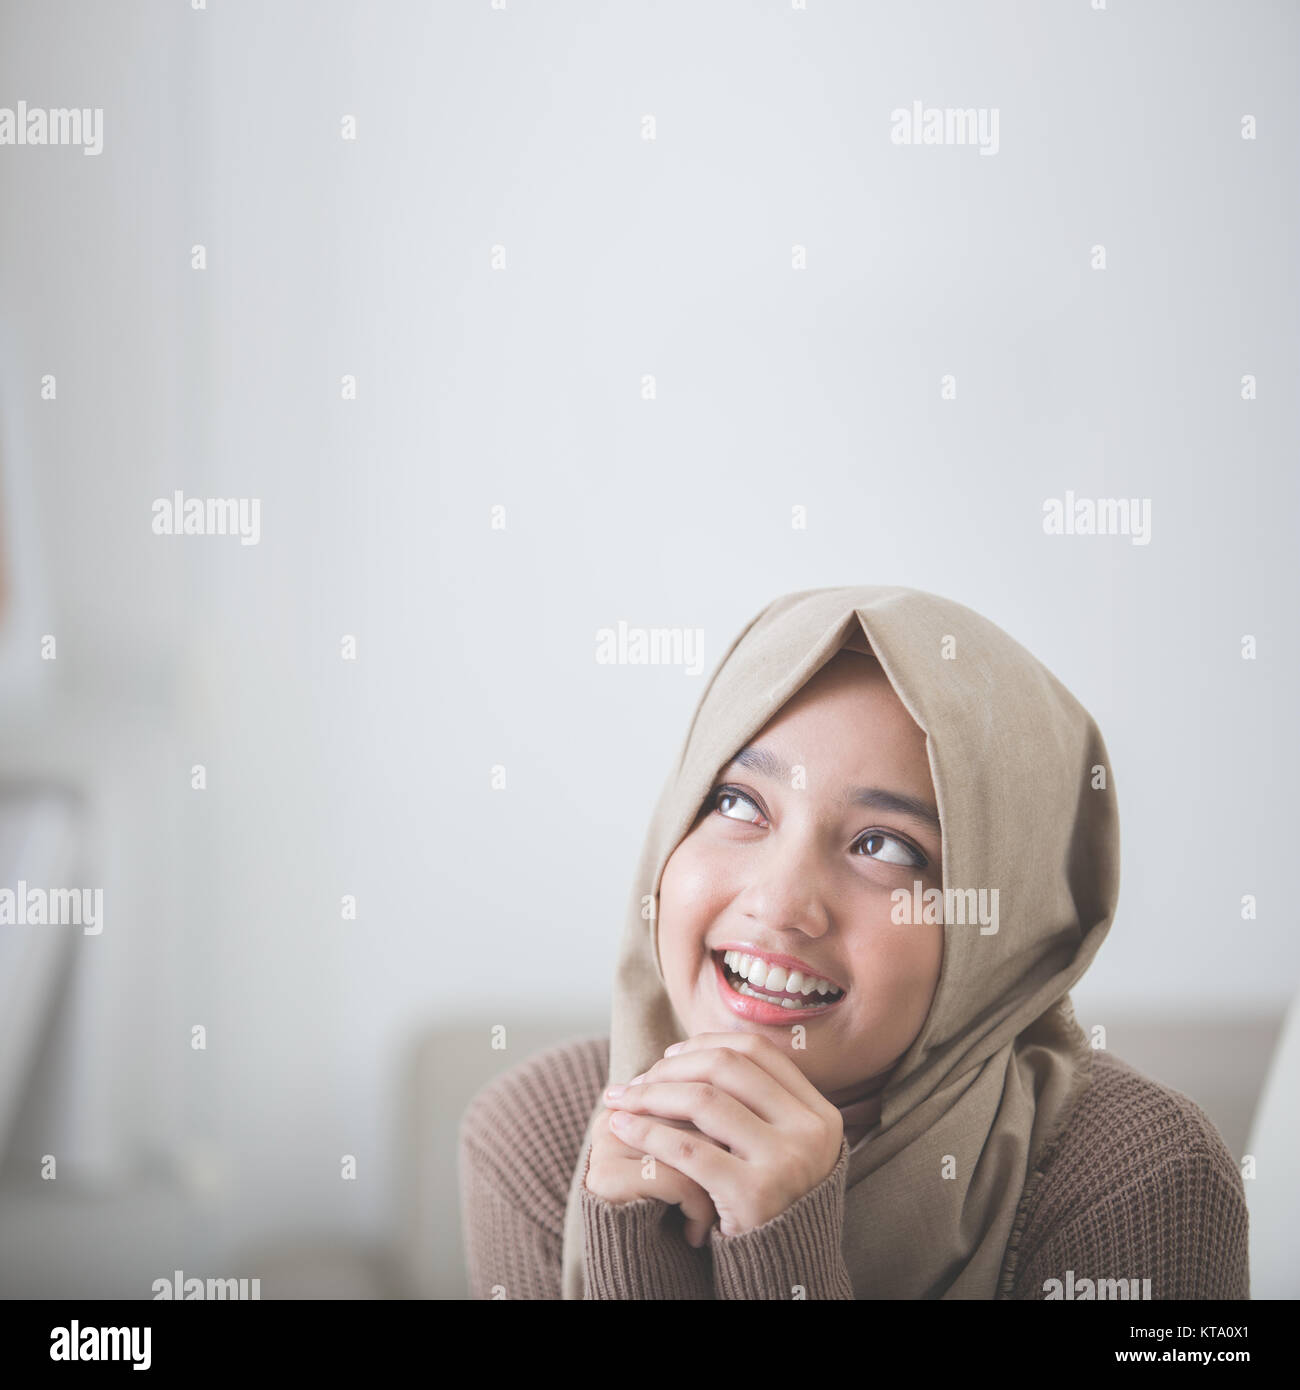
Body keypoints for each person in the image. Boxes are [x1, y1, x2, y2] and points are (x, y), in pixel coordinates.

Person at [459, 585, 1250, 1299]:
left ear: (1006, 935)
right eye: (737, 802)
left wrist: (784, 1260)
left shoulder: (1144, 1179)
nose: (780, 904)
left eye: (888, 848)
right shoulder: (541, 1134)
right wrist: (635, 1256)